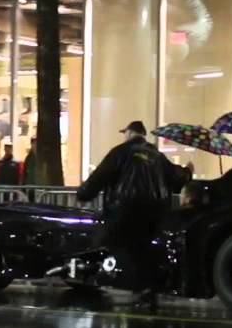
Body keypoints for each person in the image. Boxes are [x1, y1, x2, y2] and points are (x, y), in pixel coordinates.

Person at [77, 120, 191, 308]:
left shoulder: (121, 152)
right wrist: (188, 172)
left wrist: (84, 193)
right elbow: (177, 179)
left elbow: (100, 176)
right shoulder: (157, 155)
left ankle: (116, 280)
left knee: (109, 243)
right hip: (156, 211)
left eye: (125, 133)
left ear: (130, 133)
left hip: (125, 208)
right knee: (144, 249)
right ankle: (148, 289)